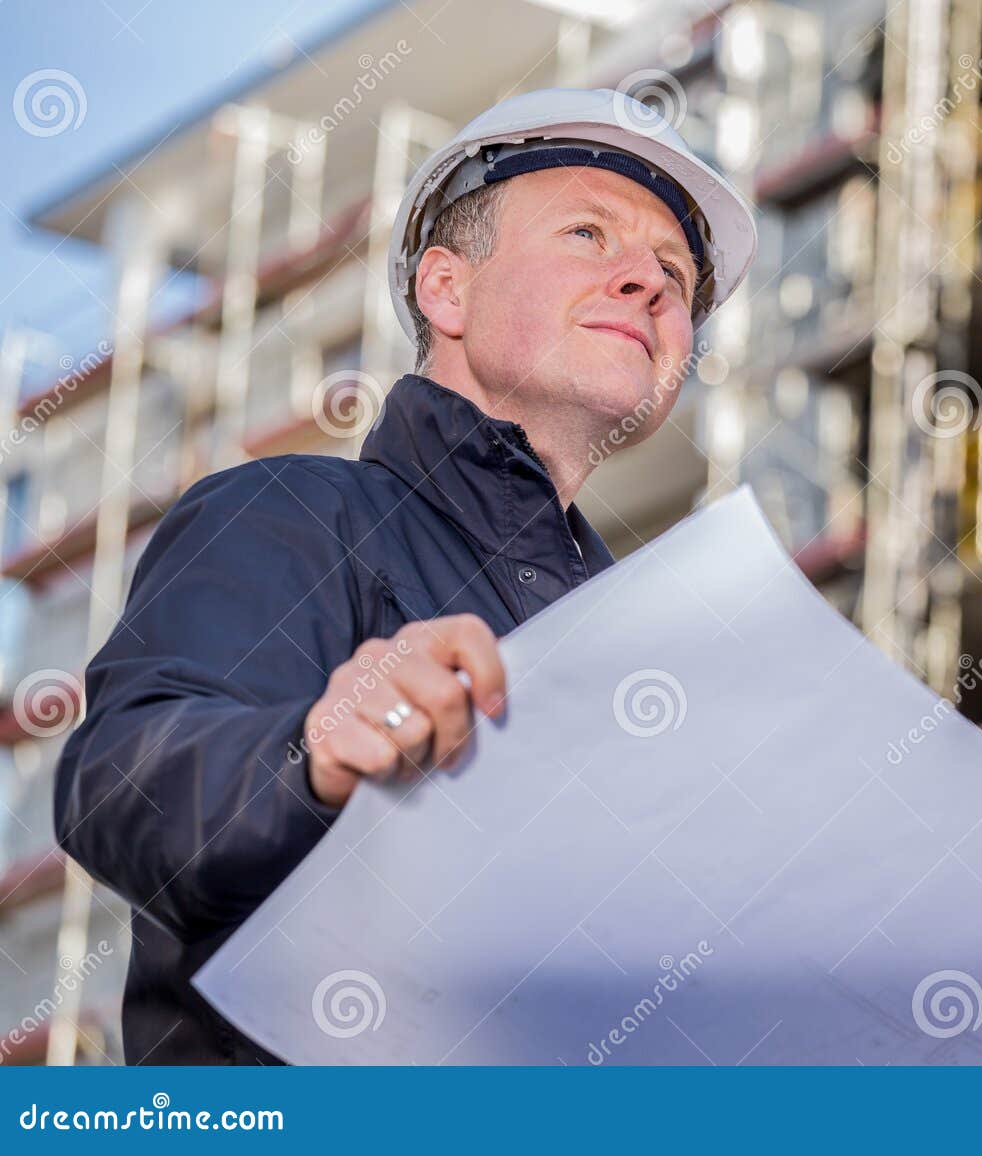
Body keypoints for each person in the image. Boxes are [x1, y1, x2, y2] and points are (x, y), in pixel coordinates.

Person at [52, 88, 757, 1064]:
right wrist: (313, 752)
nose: (649, 282)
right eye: (588, 233)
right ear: (446, 291)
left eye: (675, 273)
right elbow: (120, 785)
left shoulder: (641, 664)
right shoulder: (290, 515)